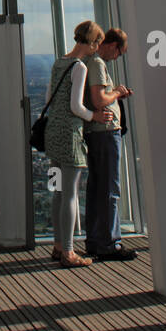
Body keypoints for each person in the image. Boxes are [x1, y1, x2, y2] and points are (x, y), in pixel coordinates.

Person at [44, 21, 114, 267]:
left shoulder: (58, 63)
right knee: (70, 194)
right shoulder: (79, 67)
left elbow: (49, 98)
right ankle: (69, 252)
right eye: (97, 44)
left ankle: (58, 245)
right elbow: (76, 106)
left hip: (52, 135)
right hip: (70, 136)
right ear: (93, 42)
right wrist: (94, 116)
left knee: (57, 191)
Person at [83, 27, 136, 261]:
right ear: (113, 46)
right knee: (109, 188)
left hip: (97, 133)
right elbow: (99, 99)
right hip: (105, 133)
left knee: (98, 187)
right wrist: (116, 93)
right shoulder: (97, 64)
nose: (117, 58)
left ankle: (96, 240)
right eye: (119, 53)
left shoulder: (89, 62)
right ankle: (109, 243)